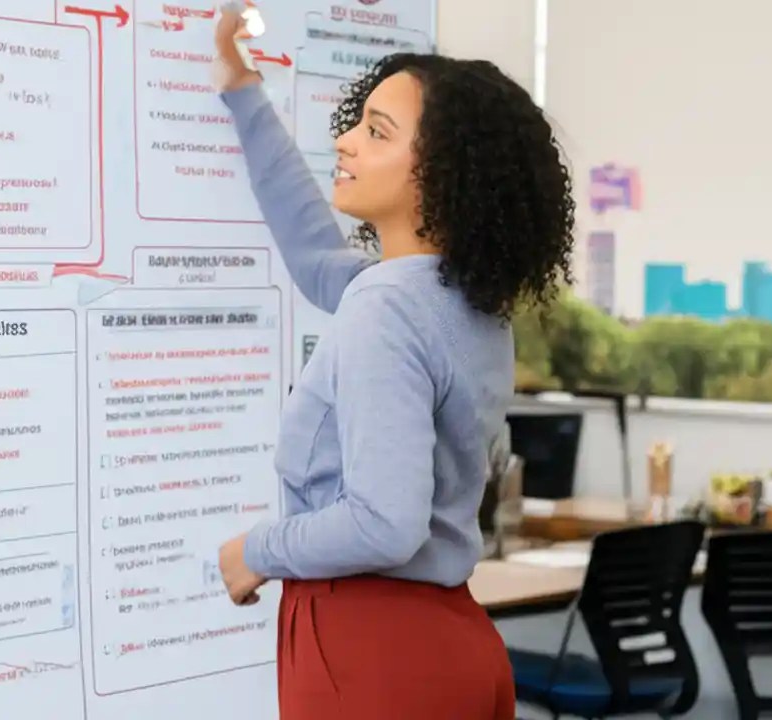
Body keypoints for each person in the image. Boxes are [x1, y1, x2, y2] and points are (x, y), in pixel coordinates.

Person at [211, 9, 575, 719]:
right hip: (450, 642)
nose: (345, 141)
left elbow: (385, 524)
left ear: (443, 175)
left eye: (377, 132)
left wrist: (256, 550)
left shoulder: (388, 306)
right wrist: (242, 91)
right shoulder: (462, 301)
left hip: (372, 655)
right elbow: (317, 256)